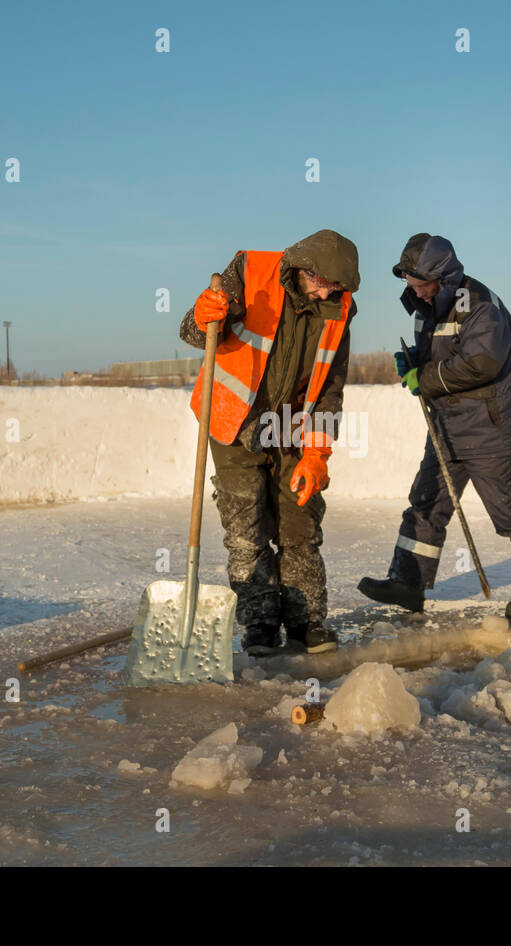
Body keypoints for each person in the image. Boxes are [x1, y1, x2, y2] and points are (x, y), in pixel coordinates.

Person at [357, 233, 511, 620]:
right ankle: (408, 583)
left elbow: (481, 363)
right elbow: (442, 354)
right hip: (446, 429)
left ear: (445, 277)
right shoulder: (429, 308)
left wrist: (428, 377)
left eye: (422, 285)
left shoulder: (481, 306)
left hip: (489, 430)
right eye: (411, 286)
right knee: (425, 506)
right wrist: (414, 361)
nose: (416, 293)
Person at [180, 229, 360, 655]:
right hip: (234, 418)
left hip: (292, 426)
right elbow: (195, 332)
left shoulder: (338, 308)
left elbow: (330, 385)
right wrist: (204, 316)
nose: (326, 293)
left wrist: (317, 454)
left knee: (300, 522)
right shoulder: (250, 269)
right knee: (246, 528)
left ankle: (305, 621)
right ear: (304, 269)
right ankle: (259, 623)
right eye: (323, 284)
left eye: (336, 287)